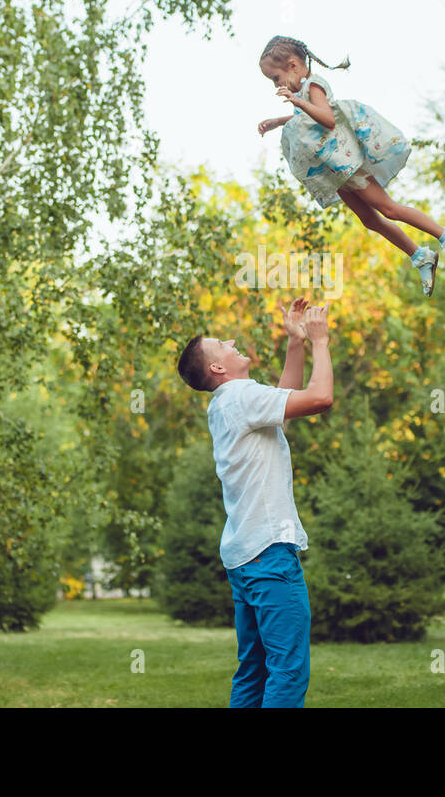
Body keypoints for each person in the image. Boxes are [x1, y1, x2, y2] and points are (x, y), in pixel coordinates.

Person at [176, 297, 332, 708]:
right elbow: (319, 398)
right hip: (268, 554)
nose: (231, 341)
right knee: (288, 668)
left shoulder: (227, 403)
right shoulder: (240, 396)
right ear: (217, 368)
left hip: (245, 556)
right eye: (221, 344)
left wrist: (294, 343)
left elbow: (284, 404)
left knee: (254, 668)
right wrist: (320, 341)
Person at [256, 34, 445, 297]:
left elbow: (327, 119)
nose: (275, 84)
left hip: (346, 162)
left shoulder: (313, 86)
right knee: (369, 219)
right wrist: (279, 120)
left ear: (292, 65)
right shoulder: (303, 92)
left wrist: (298, 101)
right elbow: (304, 119)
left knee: (388, 208)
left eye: (275, 78)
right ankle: (420, 256)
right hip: (334, 170)